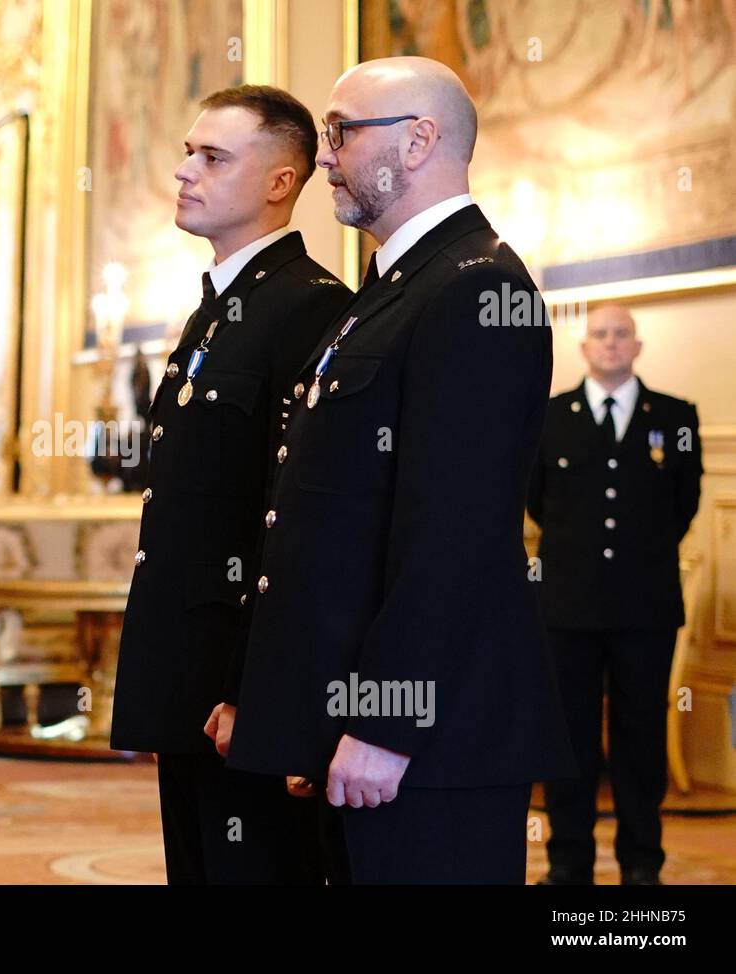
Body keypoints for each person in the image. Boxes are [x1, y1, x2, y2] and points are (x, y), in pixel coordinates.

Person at [218, 57, 575, 884]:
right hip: (365, 726)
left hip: (427, 741)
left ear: (419, 141)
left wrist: (385, 724)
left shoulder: (478, 285)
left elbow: (455, 535)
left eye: (342, 132)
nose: (325, 156)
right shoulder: (396, 286)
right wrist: (314, 714)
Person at [110, 85, 352, 884]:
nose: (185, 171)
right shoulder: (220, 307)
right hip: (192, 672)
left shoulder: (309, 309)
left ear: (281, 182)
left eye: (213, 157)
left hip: (239, 683)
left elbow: (296, 521)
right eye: (188, 152)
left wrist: (261, 688)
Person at [528, 304, 703, 885]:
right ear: (584, 348)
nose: (609, 343)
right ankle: (567, 862)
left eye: (620, 334)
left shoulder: (676, 416)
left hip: (645, 608)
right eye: (599, 334)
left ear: (637, 345)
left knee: (640, 739)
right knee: (569, 738)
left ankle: (641, 864)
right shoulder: (549, 418)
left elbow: (684, 506)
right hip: (567, 607)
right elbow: (537, 503)